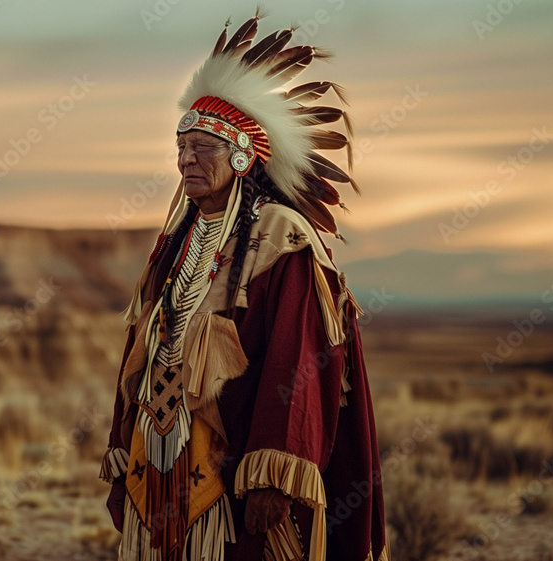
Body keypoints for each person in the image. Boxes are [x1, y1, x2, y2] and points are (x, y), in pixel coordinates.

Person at [100, 11, 390, 561]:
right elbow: (140, 354)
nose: (185, 159)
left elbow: (297, 360)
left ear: (241, 155)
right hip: (158, 462)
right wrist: (122, 456)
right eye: (180, 147)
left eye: (202, 147)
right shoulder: (177, 241)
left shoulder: (281, 238)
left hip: (231, 471)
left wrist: (272, 472)